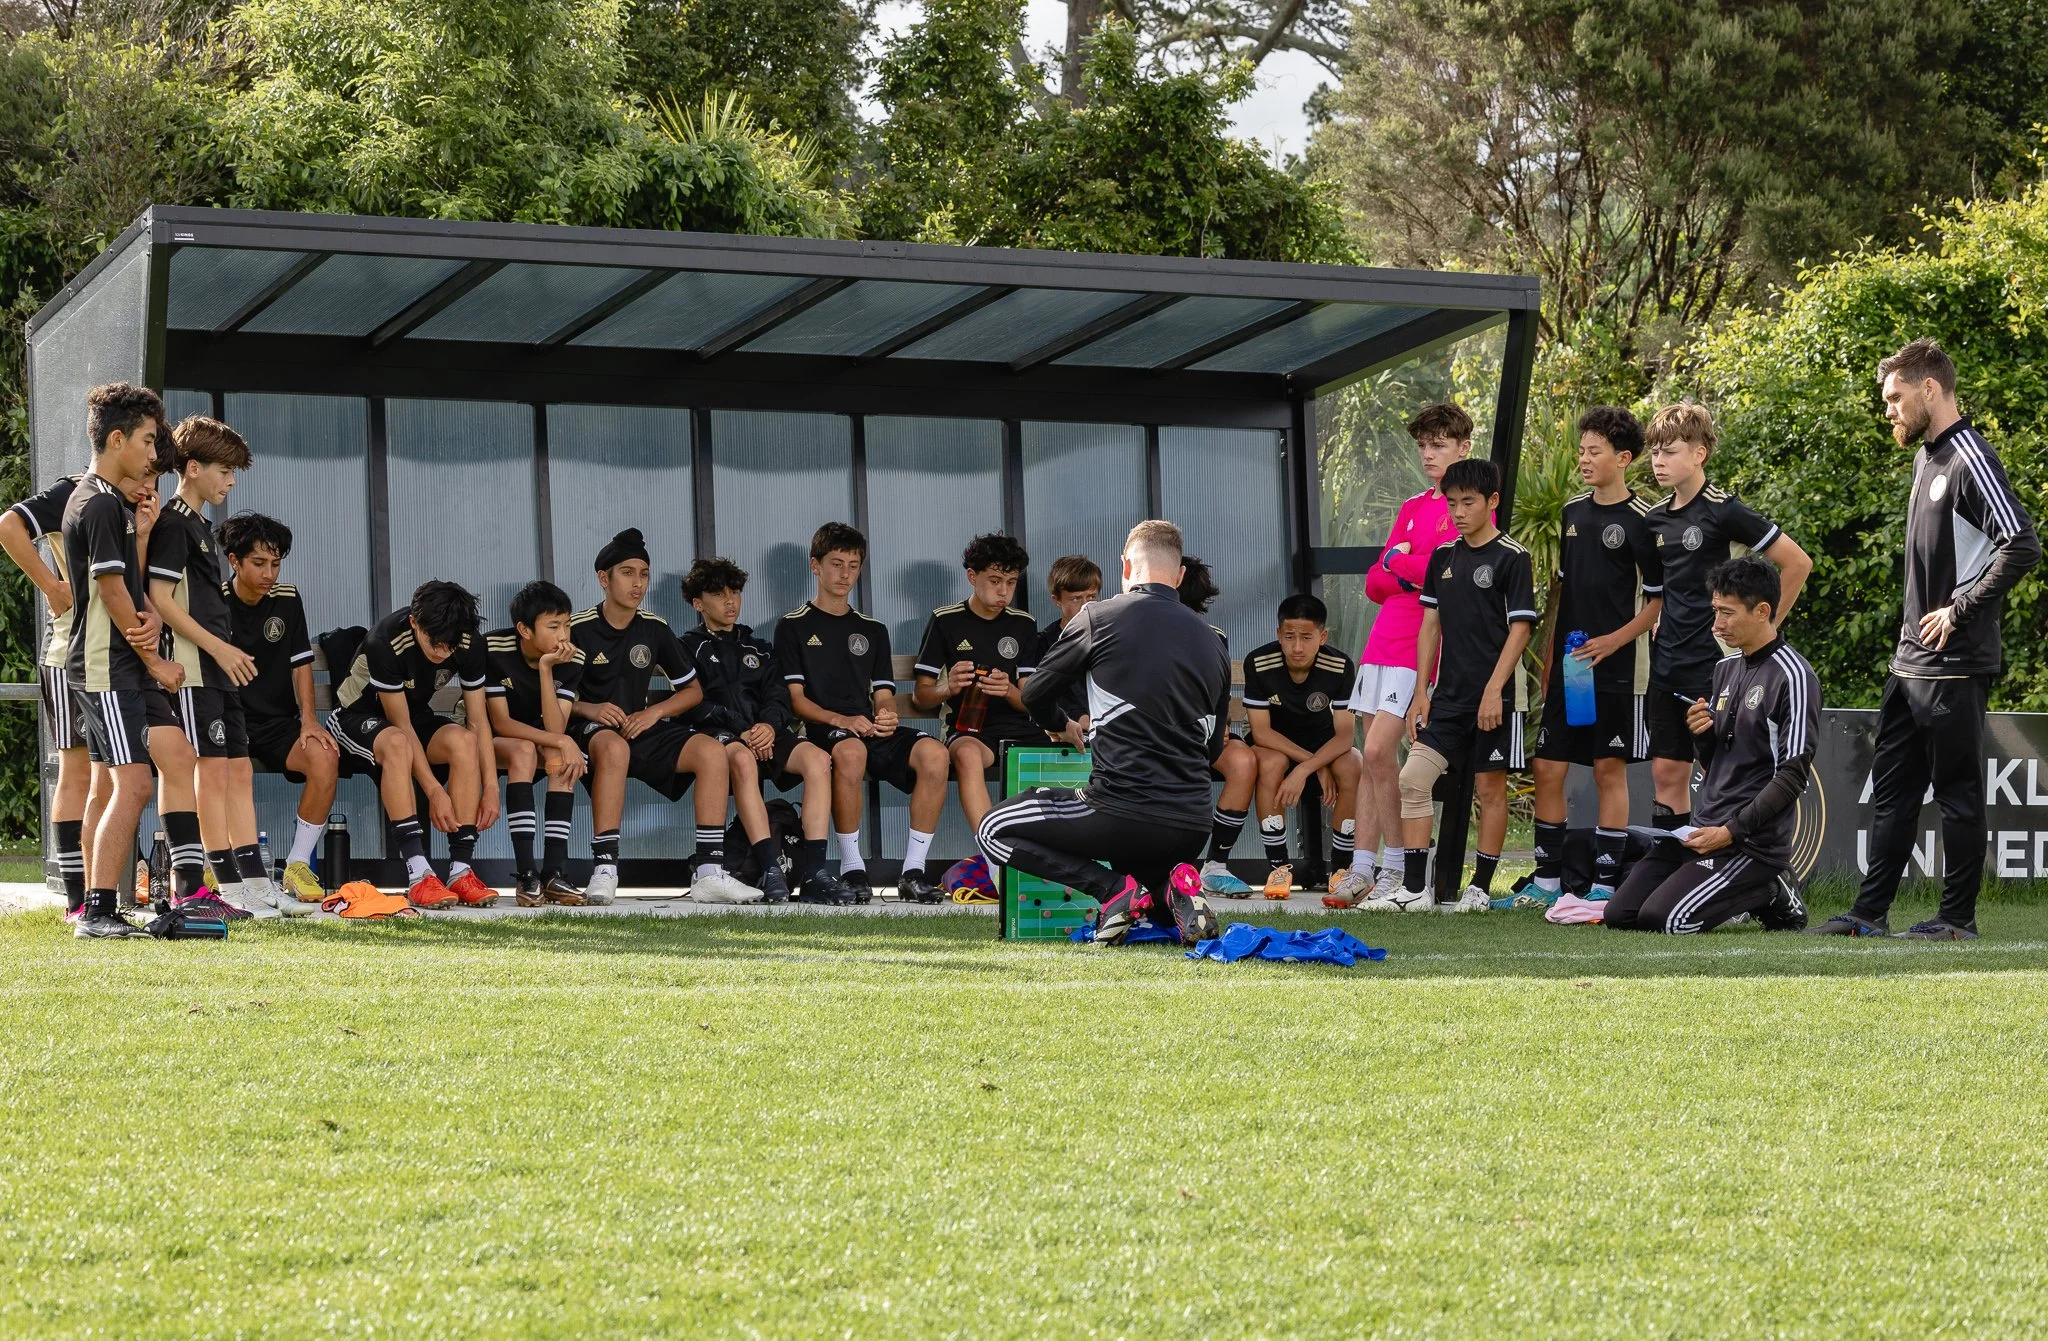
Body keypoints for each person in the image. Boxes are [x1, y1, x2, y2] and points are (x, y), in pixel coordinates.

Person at [1811, 338, 2041, 940]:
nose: (1888, 409)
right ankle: (1868, 914)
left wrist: (1960, 609)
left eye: (1895, 397)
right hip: (1908, 665)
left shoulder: (1970, 457)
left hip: (1956, 663)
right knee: (1893, 797)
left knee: (1959, 798)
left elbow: (2021, 543)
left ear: (1930, 390)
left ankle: (1957, 921)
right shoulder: (1926, 459)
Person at [976, 519, 1228, 946]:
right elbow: (1214, 746)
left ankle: (1113, 891)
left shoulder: (1099, 616)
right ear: (1180, 575)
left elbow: (1035, 695)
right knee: (1158, 903)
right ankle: (1177, 889)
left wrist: (1061, 726)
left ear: (1126, 567)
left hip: (1119, 812)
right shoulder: (1214, 640)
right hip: (1192, 823)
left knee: (993, 829)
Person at [147, 416, 309, 917]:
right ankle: (226, 887)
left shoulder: (200, 524)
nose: (231, 481)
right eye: (225, 470)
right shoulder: (174, 521)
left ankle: (255, 881)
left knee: (238, 772)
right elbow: (159, 598)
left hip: (219, 673)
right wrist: (216, 648)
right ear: (192, 469)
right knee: (211, 774)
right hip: (194, 671)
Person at [1605, 556, 1817, 934]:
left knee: (1666, 920)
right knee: (1619, 915)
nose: (1716, 624)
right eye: (1715, 610)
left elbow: (1792, 775)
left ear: (1762, 611)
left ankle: (1772, 887)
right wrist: (1700, 734)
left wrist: (1731, 831)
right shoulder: (1725, 669)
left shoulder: (1794, 675)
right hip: (1703, 832)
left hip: (1751, 843)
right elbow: (1715, 762)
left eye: (1727, 613)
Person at [1642, 402, 1811, 838]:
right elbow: (1662, 592)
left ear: (1699, 454)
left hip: (1715, 666)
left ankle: (1732, 875)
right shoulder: (1655, 518)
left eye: (1671, 451)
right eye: (1654, 452)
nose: (1660, 461)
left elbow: (1797, 563)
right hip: (1667, 663)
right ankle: (1674, 870)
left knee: (1720, 775)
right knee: (1665, 774)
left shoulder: (1723, 509)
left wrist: (1764, 632)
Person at [1331, 403, 1476, 908]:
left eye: (1439, 445)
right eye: (1423, 445)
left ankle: (1400, 866)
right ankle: (1362, 868)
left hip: (1422, 646)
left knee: (1376, 752)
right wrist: (1407, 565)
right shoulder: (1414, 505)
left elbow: (1442, 571)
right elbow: (1376, 580)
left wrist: (1404, 564)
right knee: (1374, 761)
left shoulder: (1471, 505)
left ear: (1463, 447)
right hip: (1381, 641)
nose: (1429, 454)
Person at [569, 529, 759, 904]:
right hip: (589, 731)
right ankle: (605, 868)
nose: (637, 582)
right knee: (613, 748)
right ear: (603, 579)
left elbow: (691, 691)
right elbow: (556, 696)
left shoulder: (654, 628)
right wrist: (590, 707)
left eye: (643, 573)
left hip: (638, 727)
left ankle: (708, 872)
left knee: (711, 751)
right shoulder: (579, 628)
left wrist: (654, 712)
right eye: (627, 572)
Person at [773, 522, 950, 903]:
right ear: (815, 566)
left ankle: (913, 872)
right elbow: (796, 701)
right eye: (836, 564)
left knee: (936, 754)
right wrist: (842, 721)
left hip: (867, 728)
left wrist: (886, 714)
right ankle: (853, 870)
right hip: (826, 730)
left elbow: (884, 693)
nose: (845, 574)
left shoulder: (872, 629)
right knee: (850, 753)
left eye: (853, 565)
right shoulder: (792, 626)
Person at [1530, 407, 1663, 902]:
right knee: (1548, 765)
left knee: (1608, 769)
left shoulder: (1645, 522)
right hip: (1571, 668)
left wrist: (1613, 641)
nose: (1583, 460)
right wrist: (1550, 663)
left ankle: (1605, 884)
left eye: (1594, 451)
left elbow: (1657, 602)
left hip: (1619, 669)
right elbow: (1561, 596)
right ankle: (1546, 882)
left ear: (1623, 458)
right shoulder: (1571, 513)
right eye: (1581, 450)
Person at [61, 383, 177, 938]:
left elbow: (121, 583)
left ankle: (92, 905)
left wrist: (149, 611)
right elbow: (109, 593)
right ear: (116, 439)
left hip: (108, 664)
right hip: (110, 668)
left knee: (109, 786)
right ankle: (99, 912)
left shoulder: (101, 499)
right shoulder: (102, 501)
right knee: (135, 785)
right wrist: (156, 663)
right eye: (149, 441)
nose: (155, 455)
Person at [1395, 457, 1536, 913]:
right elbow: (1430, 625)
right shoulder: (1442, 557)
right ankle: (1415, 891)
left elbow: (1520, 630)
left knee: (1490, 790)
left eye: (1467, 502)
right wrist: (1421, 691)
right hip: (1448, 699)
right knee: (1413, 779)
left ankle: (1480, 887)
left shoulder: (1513, 558)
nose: (1458, 511)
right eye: (1452, 503)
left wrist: (1494, 690)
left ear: (1492, 502)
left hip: (1498, 697)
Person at [681, 557, 853, 905]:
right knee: (743, 761)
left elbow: (779, 697)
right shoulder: (686, 647)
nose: (730, 601)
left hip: (765, 734)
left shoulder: (758, 647)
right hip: (719, 738)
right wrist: (744, 730)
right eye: (718, 594)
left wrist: (768, 726)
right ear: (698, 603)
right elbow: (693, 704)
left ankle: (814, 873)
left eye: (736, 593)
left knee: (819, 760)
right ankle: (770, 869)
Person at [330, 580, 498, 908]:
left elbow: (478, 720)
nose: (441, 652)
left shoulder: (467, 640)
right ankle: (419, 875)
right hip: (355, 717)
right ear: (414, 623)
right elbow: (400, 725)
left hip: (413, 717)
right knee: (396, 743)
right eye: (434, 643)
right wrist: (435, 791)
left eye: (448, 646)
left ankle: (461, 871)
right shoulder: (386, 640)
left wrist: (491, 787)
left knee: (463, 741)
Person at [219, 512, 344, 907]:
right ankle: (216, 862)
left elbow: (301, 663)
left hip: (278, 725)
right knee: (215, 770)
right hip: (226, 720)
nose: (269, 573)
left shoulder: (287, 599)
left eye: (275, 563)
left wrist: (310, 720)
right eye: (259, 563)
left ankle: (297, 863)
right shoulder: (214, 602)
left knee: (325, 758)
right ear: (235, 561)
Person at [910, 532, 1043, 846]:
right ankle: (994, 856)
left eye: (1011, 582)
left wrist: (1009, 690)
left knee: (1068, 752)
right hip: (968, 730)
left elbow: (1029, 699)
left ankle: (1058, 858)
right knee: (967, 755)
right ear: (972, 576)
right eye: (995, 580)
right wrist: (948, 686)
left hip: (1019, 730)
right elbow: (920, 696)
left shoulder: (1023, 624)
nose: (1004, 592)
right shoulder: (946, 621)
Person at [2, 467, 91, 918]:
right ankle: (78, 899)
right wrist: (51, 586)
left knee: (122, 775)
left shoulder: (143, 498)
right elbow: (9, 525)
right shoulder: (73, 489)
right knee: (78, 772)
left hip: (118, 659)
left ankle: (106, 893)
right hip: (67, 655)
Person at [1242, 594, 1361, 901]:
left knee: (1352, 764)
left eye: (1306, 637)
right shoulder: (1258, 662)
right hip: (1274, 743)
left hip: (1320, 744)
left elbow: (1345, 737)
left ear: (1322, 637)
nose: (1297, 647)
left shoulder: (1340, 666)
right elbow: (1261, 732)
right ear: (1278, 634)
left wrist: (1310, 767)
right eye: (1289, 637)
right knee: (1270, 763)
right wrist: (1316, 765)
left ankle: (1341, 869)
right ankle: (1279, 867)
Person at [482, 581, 590, 907]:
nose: (563, 635)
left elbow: (555, 725)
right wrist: (561, 739)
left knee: (558, 755)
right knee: (526, 749)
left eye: (567, 625)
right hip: (490, 740)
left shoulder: (572, 658)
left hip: (540, 737)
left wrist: (546, 670)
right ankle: (527, 873)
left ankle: (553, 873)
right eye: (554, 626)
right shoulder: (493, 648)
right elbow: (500, 723)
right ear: (524, 629)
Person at [1175, 556, 1262, 898]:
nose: (1194, 616)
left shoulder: (1215, 637)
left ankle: (1215, 867)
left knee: (1243, 761)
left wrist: (1220, 723)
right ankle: (1166, 865)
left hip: (1206, 732)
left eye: (1197, 607)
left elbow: (1219, 690)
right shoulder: (1147, 630)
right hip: (1163, 734)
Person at [1035, 555, 1100, 734]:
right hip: (1065, 733)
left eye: (1092, 596)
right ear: (1057, 600)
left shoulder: (1110, 635)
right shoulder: (1044, 644)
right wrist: (1077, 716)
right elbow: (1043, 693)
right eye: (1076, 598)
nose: (1086, 605)